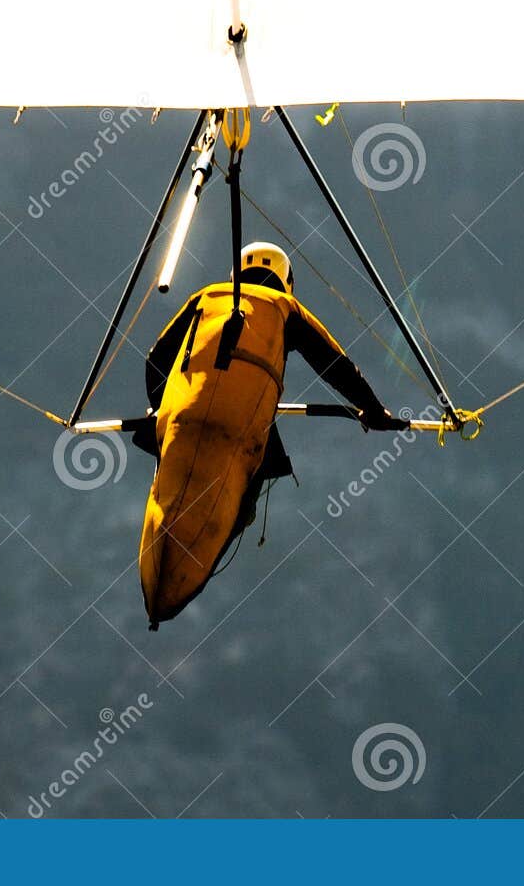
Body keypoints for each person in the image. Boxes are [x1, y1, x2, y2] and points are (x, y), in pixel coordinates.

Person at [134, 241, 402, 629]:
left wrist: (161, 407)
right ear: (285, 282)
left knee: (169, 474)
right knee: (242, 493)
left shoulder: (206, 297)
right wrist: (374, 411)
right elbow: (335, 365)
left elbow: (156, 359)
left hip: (182, 419)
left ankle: (161, 572)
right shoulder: (284, 308)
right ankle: (192, 567)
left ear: (234, 275)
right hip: (240, 427)